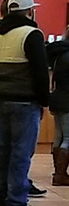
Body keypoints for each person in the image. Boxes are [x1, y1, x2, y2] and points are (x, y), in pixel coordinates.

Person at [0, 0, 50, 206]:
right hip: (25, 103)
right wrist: (44, 101)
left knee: (1, 150)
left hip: (1, 100)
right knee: (21, 153)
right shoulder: (31, 34)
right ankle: (17, 202)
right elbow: (41, 72)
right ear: (29, 11)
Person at [47, 26, 69, 186]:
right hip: (67, 99)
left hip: (57, 97)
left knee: (59, 136)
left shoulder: (59, 52)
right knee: (68, 138)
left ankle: (58, 172)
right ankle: (60, 175)